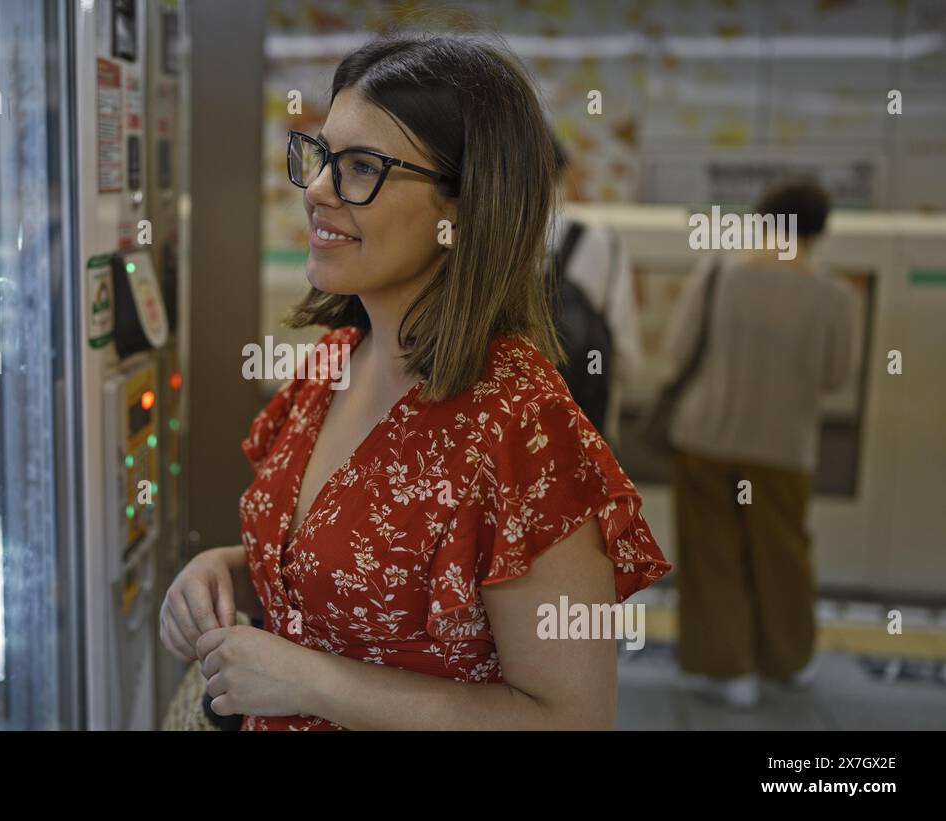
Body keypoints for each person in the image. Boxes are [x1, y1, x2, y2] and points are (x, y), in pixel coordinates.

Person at [159, 33, 670, 730]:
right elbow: (338, 575)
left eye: (361, 167)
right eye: (320, 157)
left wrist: (314, 683)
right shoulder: (334, 362)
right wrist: (224, 573)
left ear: (462, 206)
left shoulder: (520, 425)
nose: (315, 189)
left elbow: (572, 717)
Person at [664, 178, 855, 709]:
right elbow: (836, 376)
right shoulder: (834, 296)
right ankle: (788, 661)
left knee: (712, 554)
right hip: (784, 448)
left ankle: (728, 673)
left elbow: (679, 352)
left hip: (706, 438)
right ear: (818, 230)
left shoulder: (720, 274)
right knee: (784, 553)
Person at [545, 139, 643, 439]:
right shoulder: (599, 240)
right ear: (564, 172)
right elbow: (624, 351)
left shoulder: (483, 235)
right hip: (581, 417)